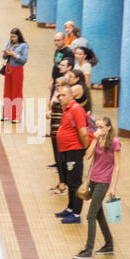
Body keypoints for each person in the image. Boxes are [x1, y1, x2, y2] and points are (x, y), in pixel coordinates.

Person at [74, 118, 120, 259]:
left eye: (101, 127)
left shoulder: (115, 142)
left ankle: (88, 250)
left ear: (109, 128)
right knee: (98, 214)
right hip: (93, 179)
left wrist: (113, 187)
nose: (99, 129)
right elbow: (87, 156)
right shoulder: (97, 140)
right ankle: (109, 244)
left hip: (103, 182)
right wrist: (94, 139)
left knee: (91, 215)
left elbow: (117, 165)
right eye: (97, 127)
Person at [55, 81, 91, 224]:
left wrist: (84, 147)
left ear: (71, 96)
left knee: (75, 182)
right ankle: (70, 208)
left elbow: (82, 132)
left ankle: (76, 214)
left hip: (74, 151)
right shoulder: (67, 109)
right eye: (60, 95)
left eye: (63, 95)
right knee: (69, 181)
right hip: (66, 150)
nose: (60, 97)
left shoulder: (76, 109)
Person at [1, 28, 29, 124]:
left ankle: (16, 116)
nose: (12, 38)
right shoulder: (10, 43)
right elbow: (4, 57)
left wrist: (15, 55)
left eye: (14, 36)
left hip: (17, 69)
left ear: (19, 36)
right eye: (11, 36)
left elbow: (24, 60)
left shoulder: (24, 46)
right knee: (7, 91)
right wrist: (5, 54)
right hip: (9, 69)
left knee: (16, 92)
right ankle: (6, 114)